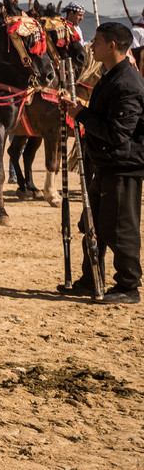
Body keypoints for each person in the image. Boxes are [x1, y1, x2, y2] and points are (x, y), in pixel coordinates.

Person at [60, 22, 144, 304]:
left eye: (96, 41)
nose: (91, 46)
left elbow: (118, 134)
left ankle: (128, 286)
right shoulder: (110, 76)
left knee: (120, 227)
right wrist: (78, 108)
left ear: (112, 45)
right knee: (93, 224)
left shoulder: (127, 83)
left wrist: (81, 114)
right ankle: (90, 278)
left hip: (123, 165)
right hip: (106, 164)